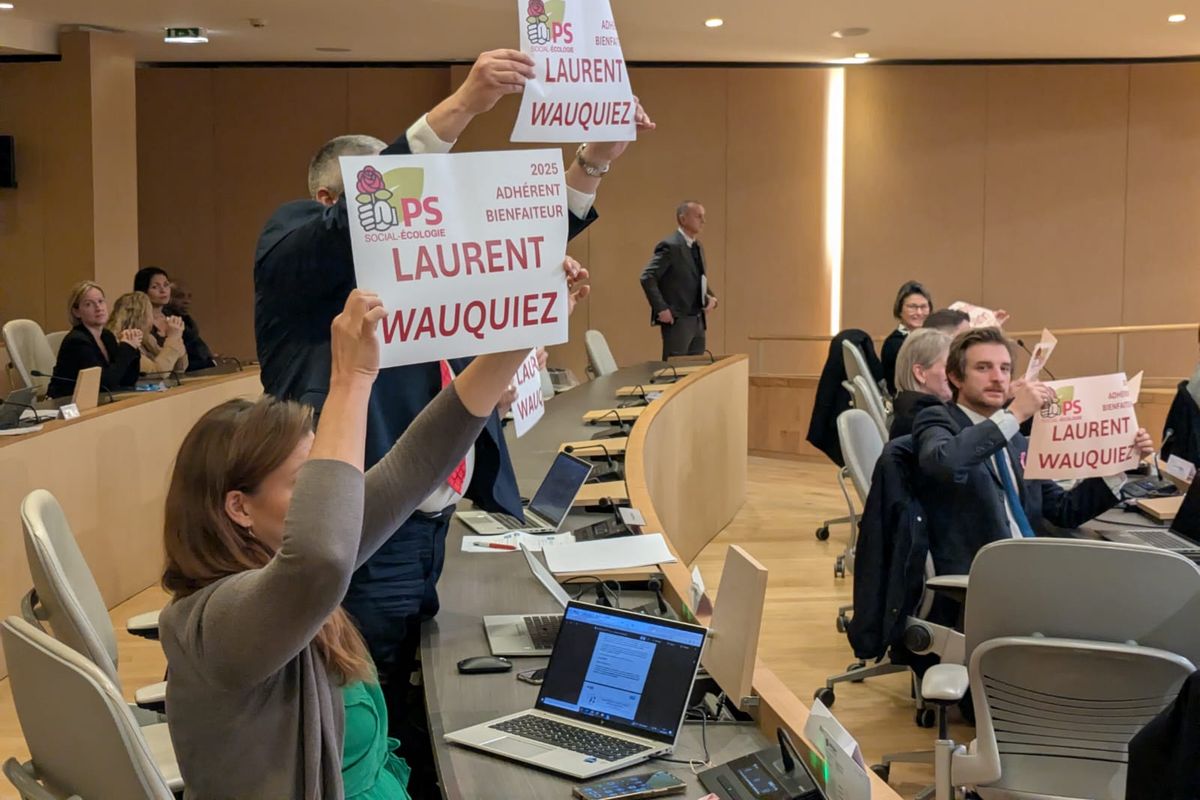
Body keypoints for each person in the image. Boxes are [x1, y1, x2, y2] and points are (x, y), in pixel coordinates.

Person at [253, 48, 652, 793]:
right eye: (391, 197)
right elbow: (356, 230)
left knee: (416, 695)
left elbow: (508, 250)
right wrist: (461, 108)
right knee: (365, 709)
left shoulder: (416, 275)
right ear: (328, 198)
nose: (408, 218)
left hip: (435, 524)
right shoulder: (295, 248)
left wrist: (592, 163)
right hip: (362, 533)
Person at [160, 276, 586, 798]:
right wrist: (352, 380)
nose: (327, 495)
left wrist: (527, 324)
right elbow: (322, 555)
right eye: (306, 480)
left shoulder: (288, 579)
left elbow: (418, 461)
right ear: (238, 507)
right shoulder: (217, 623)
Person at [912, 326, 1155, 581]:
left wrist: (1118, 464)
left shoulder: (1015, 439)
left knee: (1134, 577)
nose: (998, 378)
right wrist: (1015, 414)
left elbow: (1064, 510)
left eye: (1005, 369)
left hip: (1032, 568)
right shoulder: (936, 419)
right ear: (955, 377)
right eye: (983, 368)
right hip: (983, 576)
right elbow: (945, 463)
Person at [639, 200, 719, 360]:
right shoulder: (670, 246)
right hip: (678, 320)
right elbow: (648, 277)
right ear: (683, 219)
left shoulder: (697, 246)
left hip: (698, 320)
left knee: (696, 369)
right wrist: (661, 308)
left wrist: (712, 298)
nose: (703, 221)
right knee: (675, 367)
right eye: (698, 216)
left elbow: (698, 278)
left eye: (703, 216)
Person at [48, 281, 141, 398]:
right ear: (76, 312)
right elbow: (103, 384)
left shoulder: (107, 336)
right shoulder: (76, 342)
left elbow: (126, 380)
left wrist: (133, 347)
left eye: (100, 301)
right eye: (88, 304)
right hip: (67, 404)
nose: (98, 308)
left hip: (96, 401)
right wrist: (126, 348)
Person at [135, 267, 216, 371]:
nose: (163, 290)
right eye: (155, 287)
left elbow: (183, 364)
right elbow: (153, 368)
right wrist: (172, 338)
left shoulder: (175, 318)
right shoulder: (138, 323)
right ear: (143, 291)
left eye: (166, 285)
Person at [889, 327, 953, 439]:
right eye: (949, 366)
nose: (957, 374)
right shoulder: (927, 418)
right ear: (920, 373)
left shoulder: (909, 408)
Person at [107, 291, 189, 376]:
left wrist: (177, 337)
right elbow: (158, 373)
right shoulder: (122, 341)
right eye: (151, 314)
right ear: (141, 317)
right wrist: (172, 338)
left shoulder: (147, 339)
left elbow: (179, 368)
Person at [880, 280, 932, 395]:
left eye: (923, 307)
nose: (919, 312)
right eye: (912, 307)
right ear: (899, 310)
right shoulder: (895, 344)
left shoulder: (930, 339)